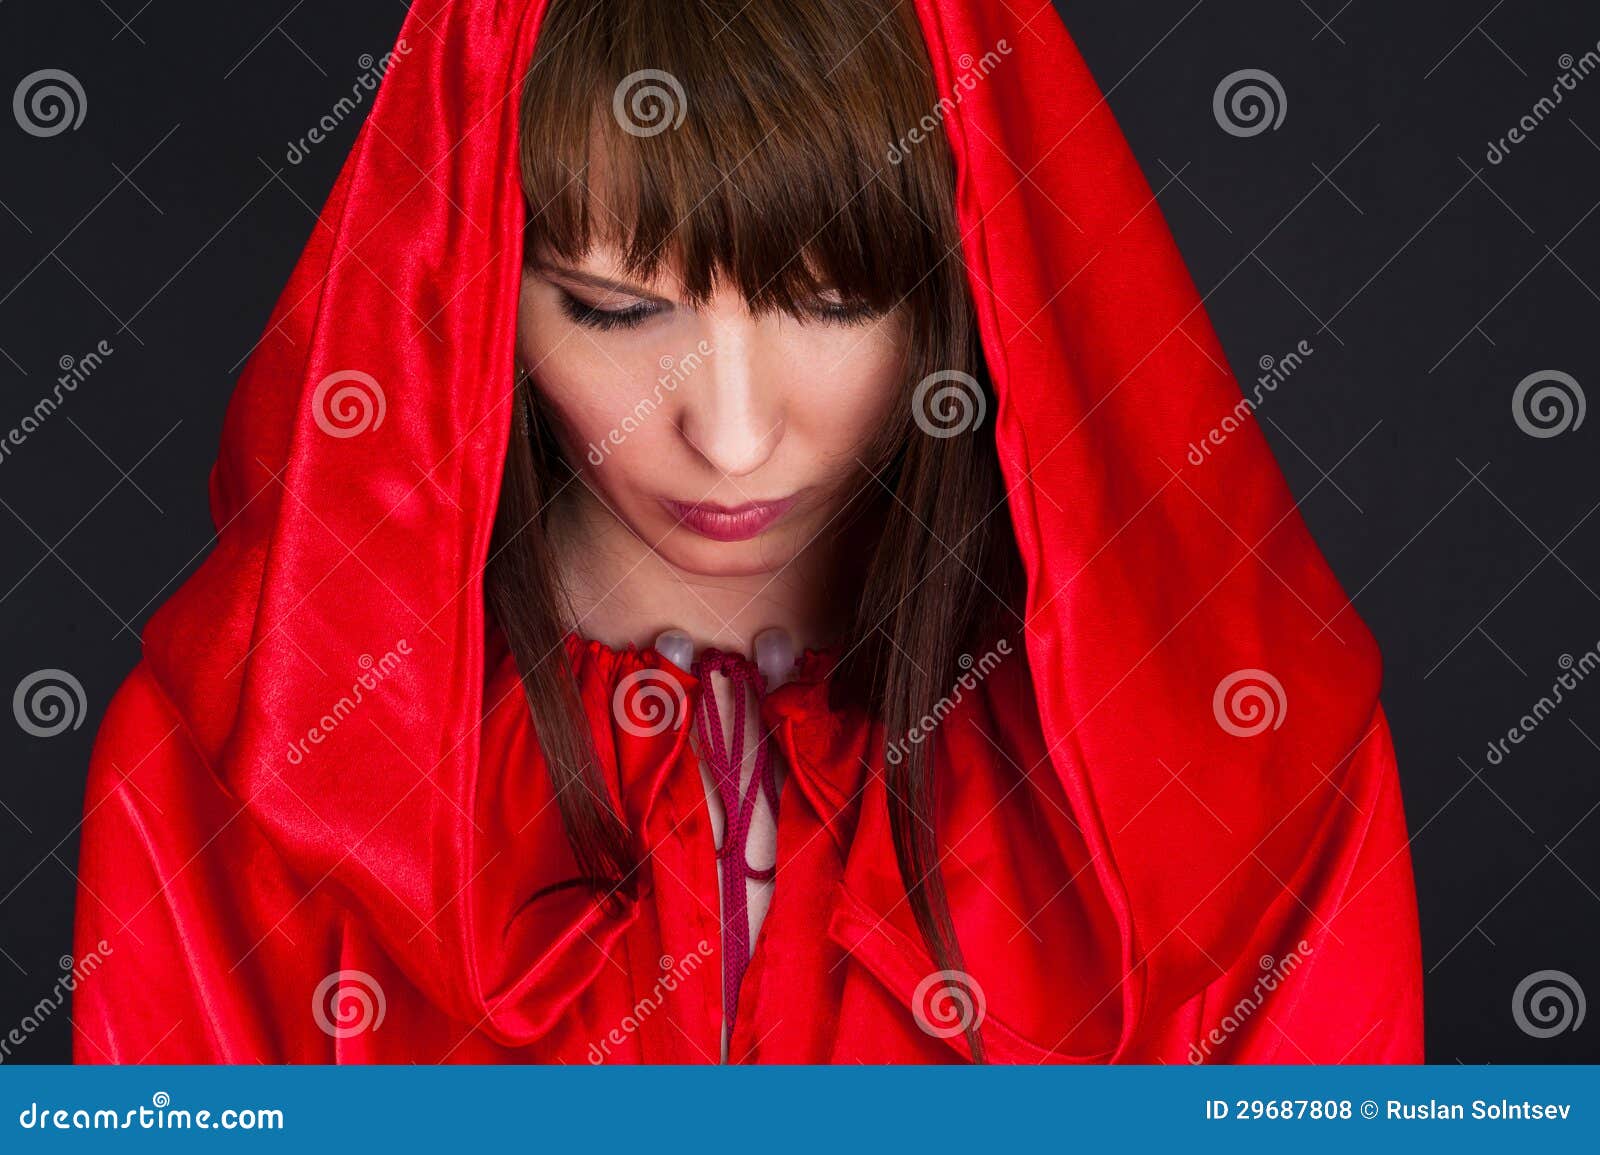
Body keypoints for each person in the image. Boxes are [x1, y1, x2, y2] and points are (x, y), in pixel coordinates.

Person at [71, 0, 1424, 1064]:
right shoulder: (244, 771)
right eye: (611, 309)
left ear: (966, 281)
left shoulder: (1248, 762)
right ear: (476, 295)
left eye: (832, 304)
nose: (726, 434)